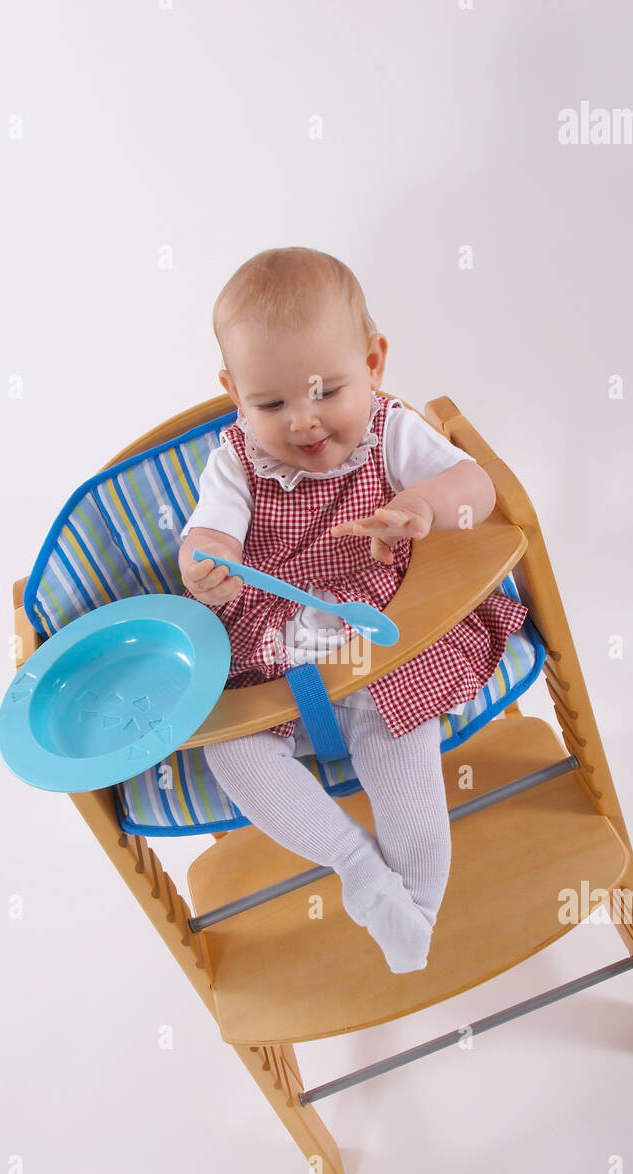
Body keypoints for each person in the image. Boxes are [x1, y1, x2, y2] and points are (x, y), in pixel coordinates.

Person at [178, 247, 528, 973]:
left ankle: (416, 912)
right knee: (226, 748)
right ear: (233, 393)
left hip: (382, 653)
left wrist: (422, 506)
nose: (302, 422)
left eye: (324, 390)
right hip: (271, 662)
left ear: (372, 363)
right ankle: (359, 872)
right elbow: (209, 530)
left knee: (403, 763)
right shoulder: (234, 460)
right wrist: (204, 563)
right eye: (270, 404)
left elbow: (477, 488)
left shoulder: (390, 432)